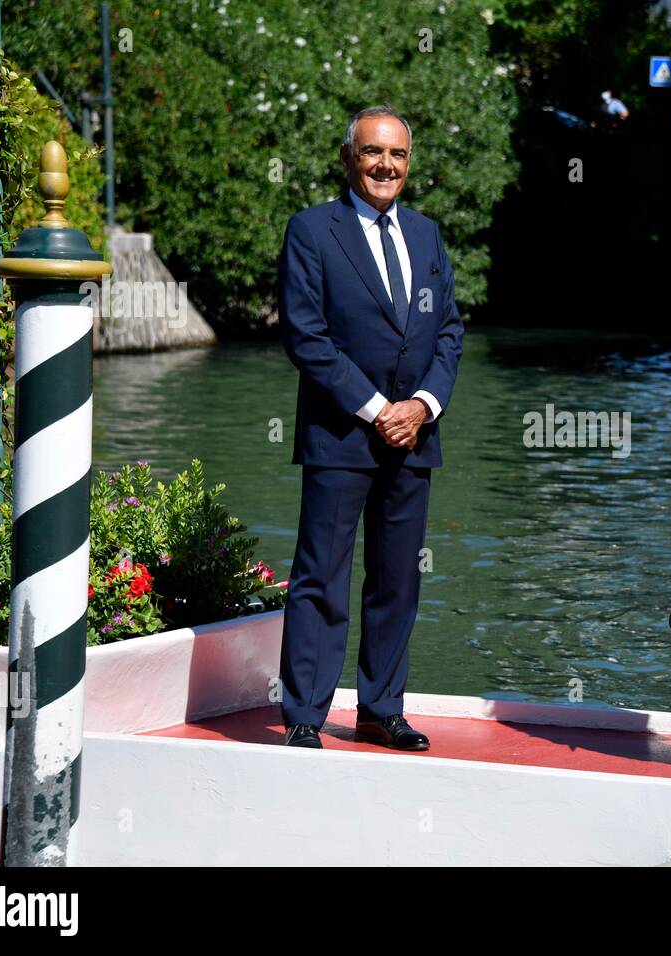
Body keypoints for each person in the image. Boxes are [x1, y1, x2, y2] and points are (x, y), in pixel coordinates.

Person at [276, 105, 464, 750]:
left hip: (415, 437)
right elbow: (306, 335)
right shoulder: (310, 230)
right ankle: (304, 713)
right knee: (321, 577)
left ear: (408, 164)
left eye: (398, 156)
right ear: (349, 157)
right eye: (373, 153)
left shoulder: (427, 235)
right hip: (341, 437)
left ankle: (382, 709)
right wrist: (377, 408)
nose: (386, 165)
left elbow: (448, 331)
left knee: (397, 579)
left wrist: (422, 407)